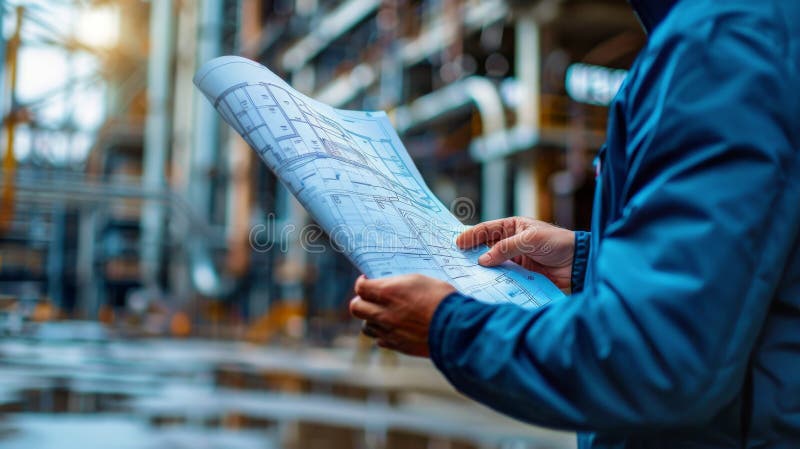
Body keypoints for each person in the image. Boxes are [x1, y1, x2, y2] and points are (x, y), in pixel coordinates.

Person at [349, 0, 800, 447]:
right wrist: (587, 261)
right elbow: (753, 272)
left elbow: (651, 358)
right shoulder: (736, 31)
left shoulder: (722, 41)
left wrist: (447, 327)